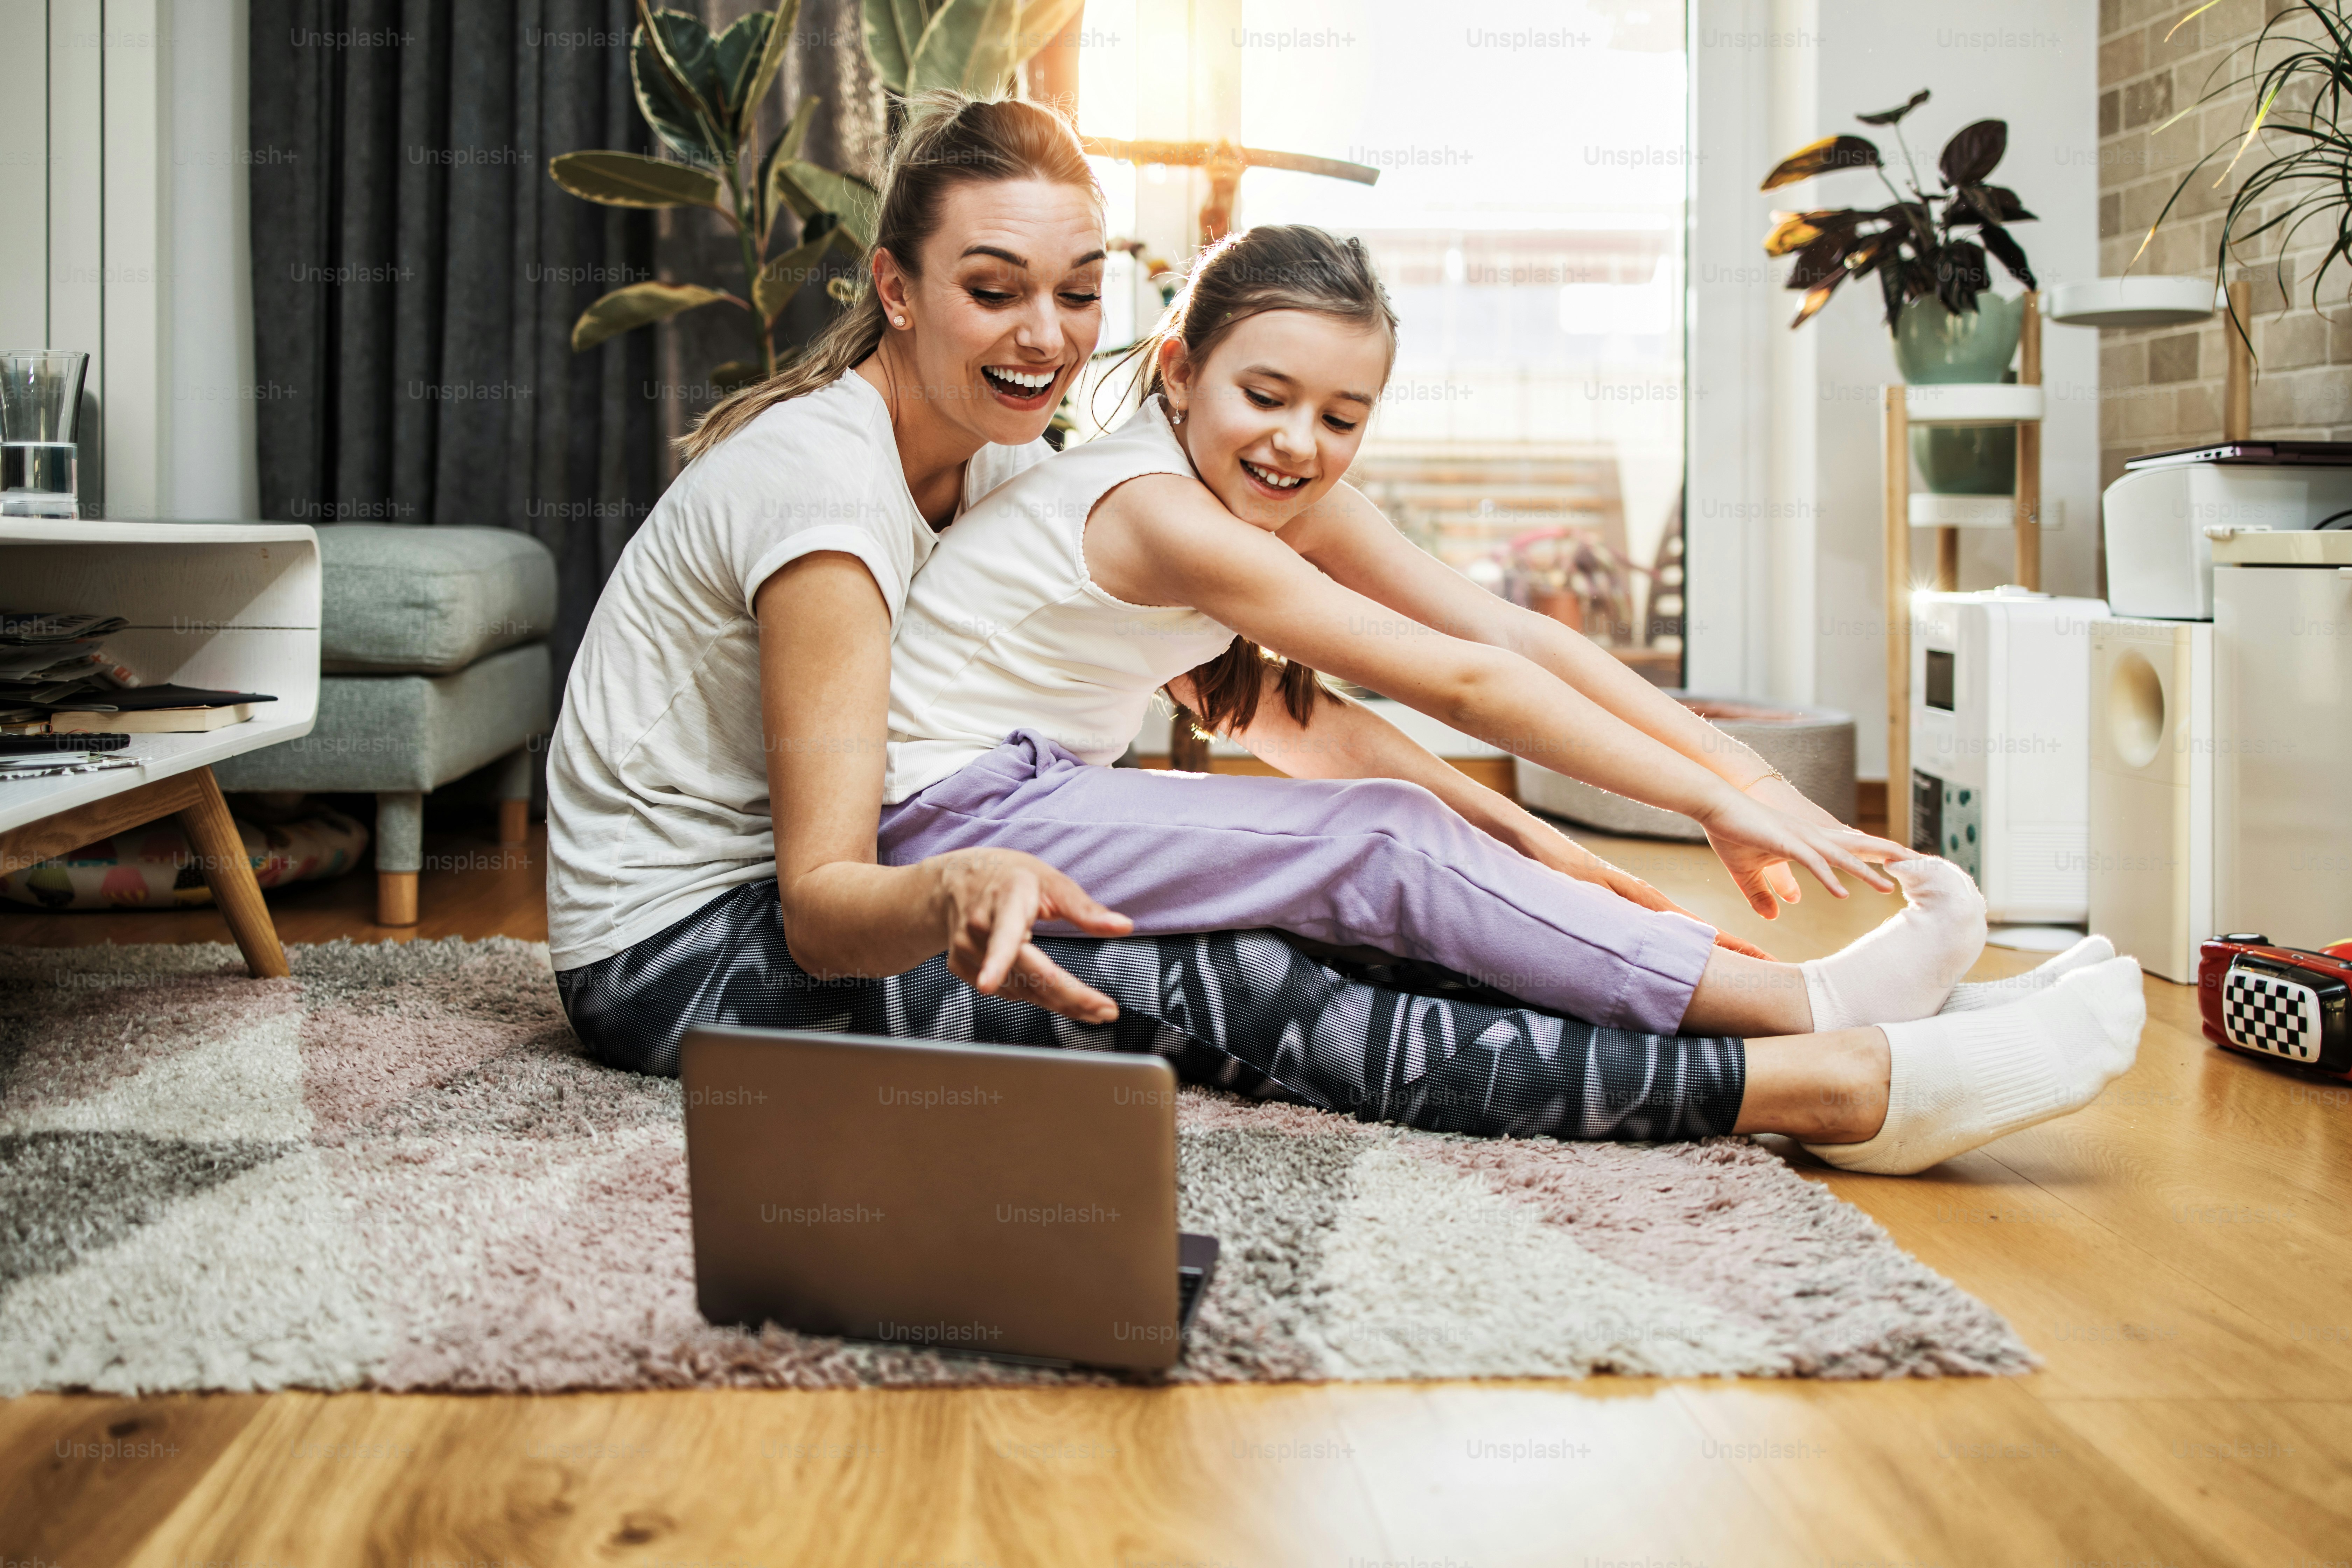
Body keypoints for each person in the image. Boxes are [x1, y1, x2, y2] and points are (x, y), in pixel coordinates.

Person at [543, 93, 2136, 1174]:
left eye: (1075, 290)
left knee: (1351, 894)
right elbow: (830, 909)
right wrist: (1728, 792)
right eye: (993, 288)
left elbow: (1304, 717)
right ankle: (1818, 1069)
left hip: (876, 858)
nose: (1044, 336)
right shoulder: (826, 495)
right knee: (1233, 978)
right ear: (894, 287)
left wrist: (1552, 846)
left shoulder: (1013, 464)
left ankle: (1855, 1020)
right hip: (686, 954)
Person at [870, 221, 2148, 1175]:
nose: (1298, 446)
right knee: (1385, 837)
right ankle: (1812, 1010)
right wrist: (1719, 798)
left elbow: (1488, 636)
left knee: (1415, 831)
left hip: (1037, 791)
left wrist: (1670, 808)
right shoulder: (1153, 509)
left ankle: (1885, 1011)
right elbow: (1465, 682)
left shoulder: (1265, 493)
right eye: (1265, 398)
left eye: (1342, 416)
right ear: (1179, 368)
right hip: (943, 829)